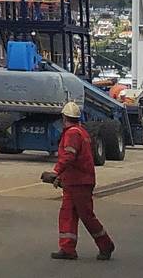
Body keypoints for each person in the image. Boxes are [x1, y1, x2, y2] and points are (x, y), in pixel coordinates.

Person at [46, 101, 114, 261]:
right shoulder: (81, 132)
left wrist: (55, 172)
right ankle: (67, 248)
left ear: (64, 117)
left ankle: (106, 244)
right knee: (67, 213)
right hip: (75, 181)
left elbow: (69, 156)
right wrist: (61, 177)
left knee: (86, 216)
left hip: (79, 182)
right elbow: (77, 159)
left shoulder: (72, 134)